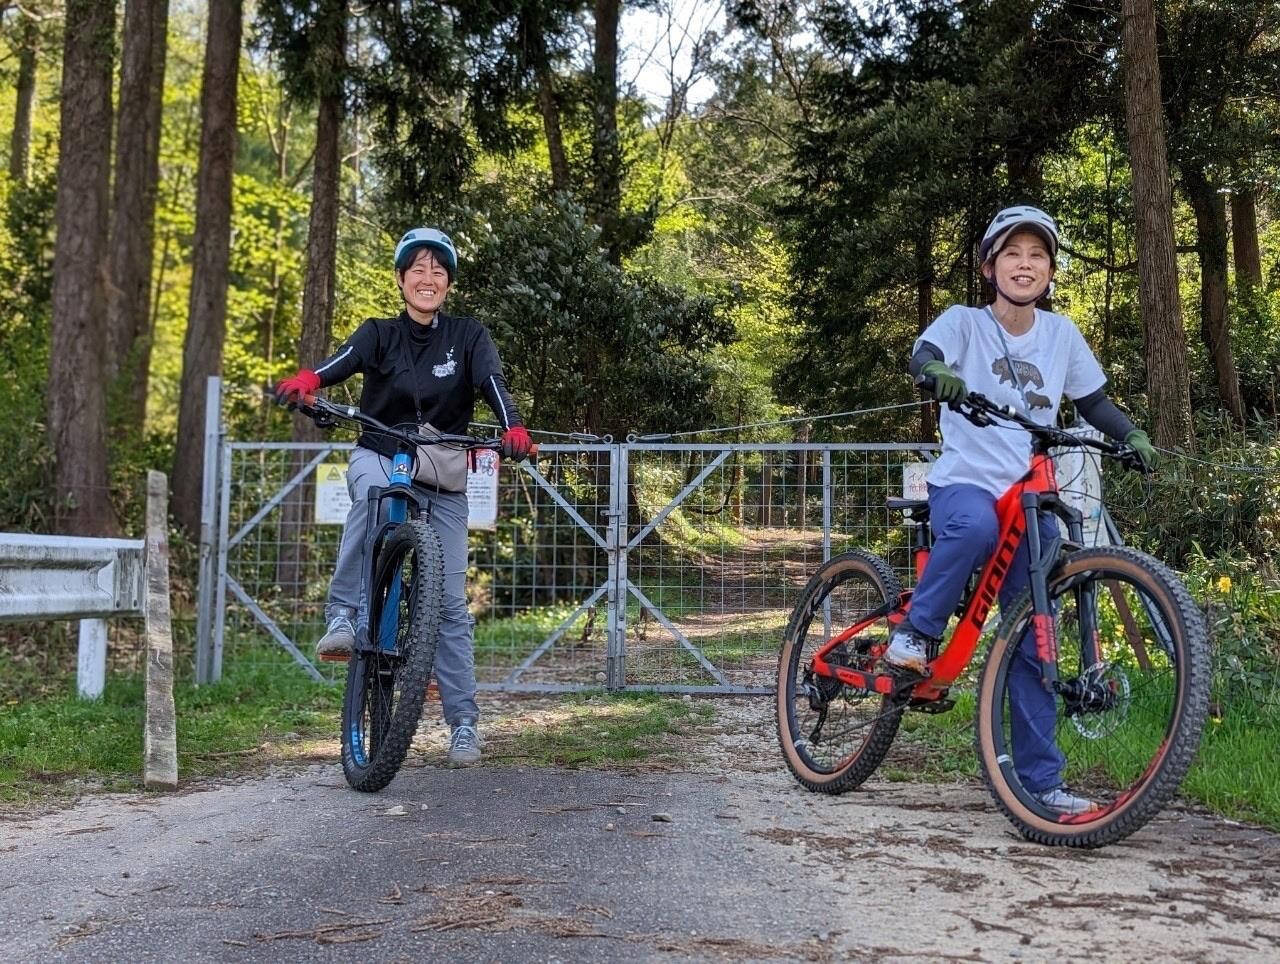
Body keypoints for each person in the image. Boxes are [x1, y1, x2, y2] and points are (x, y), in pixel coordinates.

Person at [884, 205, 1157, 815]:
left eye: (1037, 255)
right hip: (966, 482)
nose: (1025, 264)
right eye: (1012, 254)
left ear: (1051, 271)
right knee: (975, 525)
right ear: (990, 267)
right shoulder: (964, 323)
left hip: (1030, 496)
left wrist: (1132, 435)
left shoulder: (1062, 336)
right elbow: (922, 353)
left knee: (1034, 640)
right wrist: (935, 374)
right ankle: (915, 634)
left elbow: (1093, 403)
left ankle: (1039, 783)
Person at [274, 227, 532, 768]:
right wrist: (307, 382)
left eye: (439, 270)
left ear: (449, 283)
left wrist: (514, 429)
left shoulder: (468, 336)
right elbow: (336, 365)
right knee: (372, 500)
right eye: (417, 268)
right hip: (380, 452)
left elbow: (493, 384)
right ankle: (344, 615)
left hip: (443, 472)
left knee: (453, 606)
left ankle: (463, 722)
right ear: (400, 279)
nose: (428, 278)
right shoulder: (378, 334)